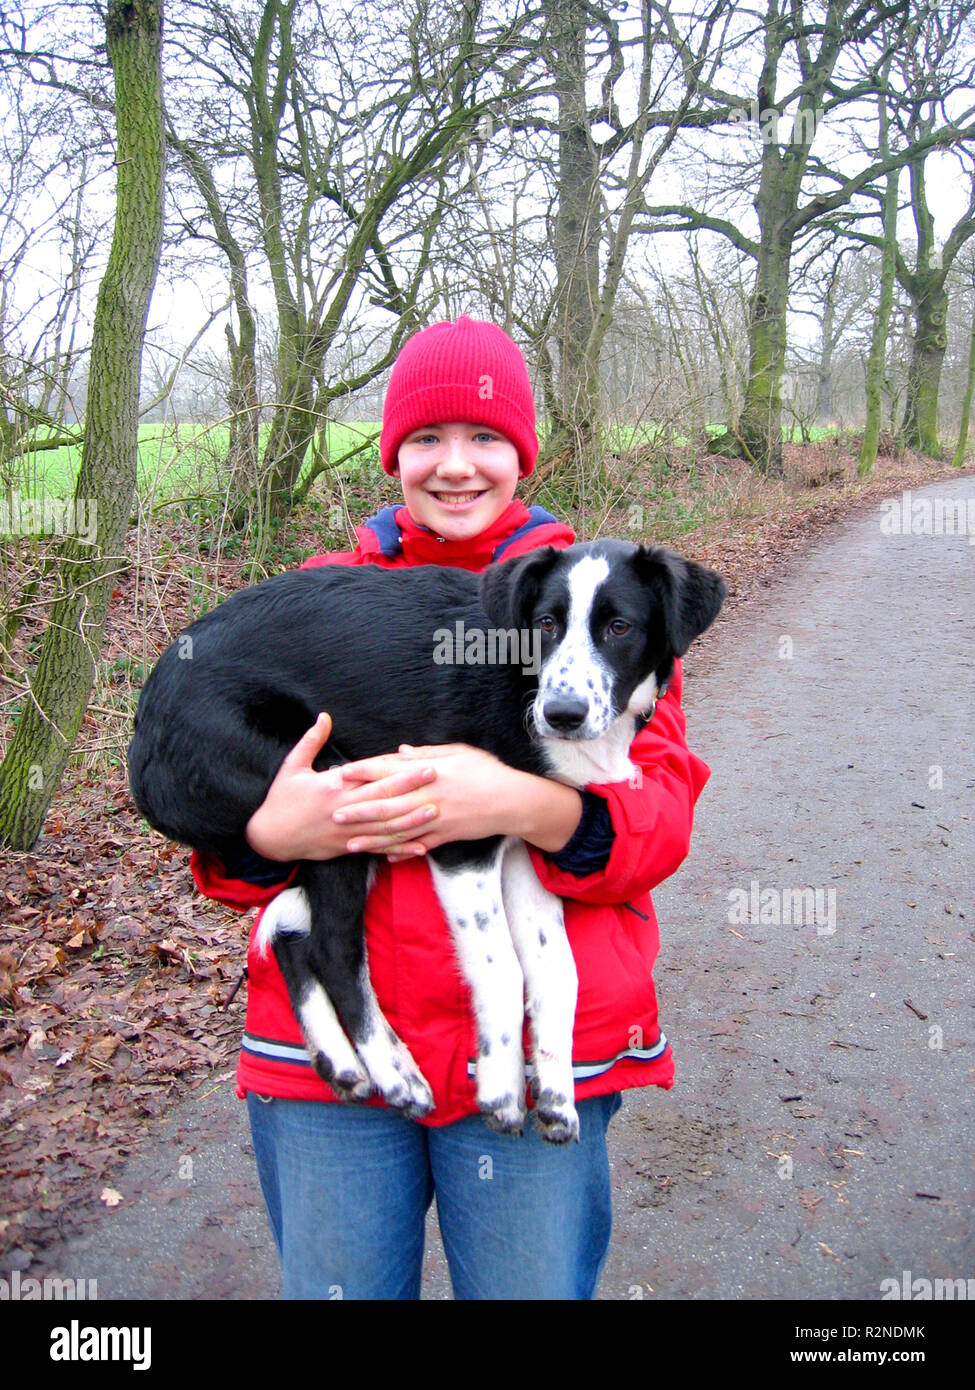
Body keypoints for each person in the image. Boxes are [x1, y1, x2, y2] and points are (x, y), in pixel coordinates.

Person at [191, 315, 711, 1300]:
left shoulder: (608, 604)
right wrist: (268, 835)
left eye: (485, 438)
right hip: (329, 1063)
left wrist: (524, 802)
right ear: (392, 455)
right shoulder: (320, 604)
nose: (455, 465)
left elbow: (659, 823)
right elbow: (220, 816)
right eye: (425, 439)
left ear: (525, 452)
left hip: (538, 1048)